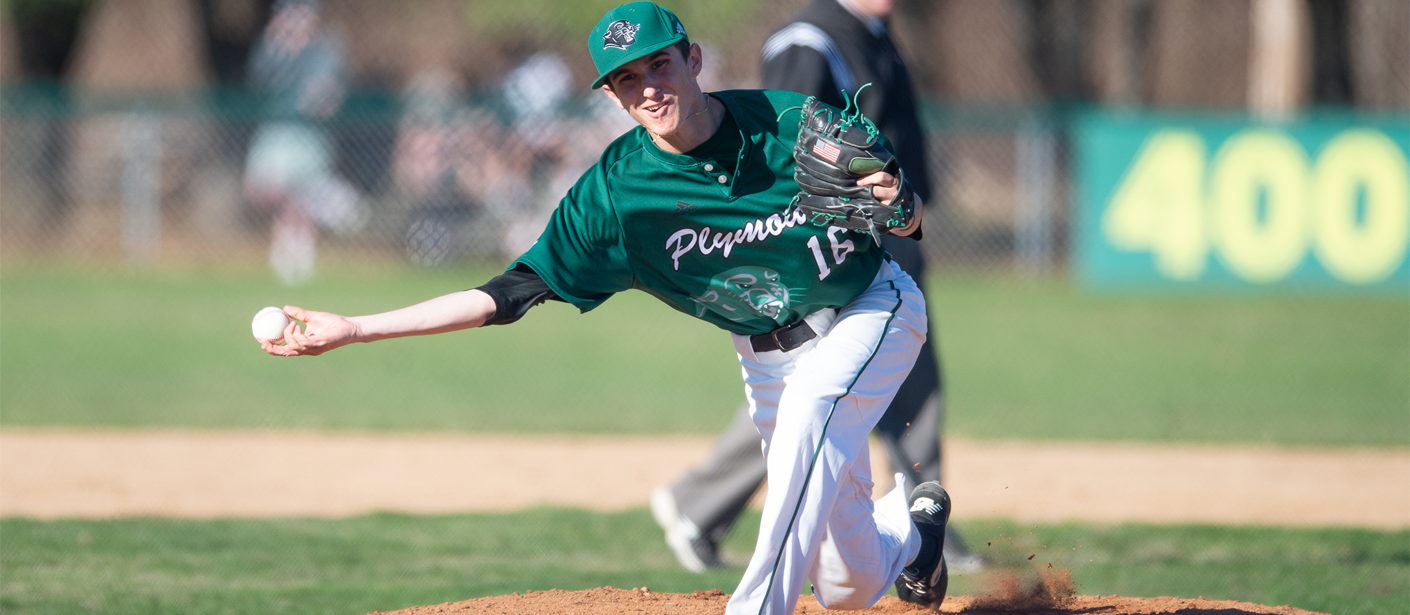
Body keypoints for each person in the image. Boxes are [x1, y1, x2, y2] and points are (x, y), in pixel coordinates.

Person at [260, 3, 951, 613]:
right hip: (768, 361)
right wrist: (355, 328)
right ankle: (915, 533)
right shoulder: (618, 198)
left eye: (659, 65)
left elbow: (907, 214)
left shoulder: (788, 123)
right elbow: (506, 294)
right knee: (848, 584)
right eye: (628, 79)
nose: (650, 87)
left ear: (693, 58)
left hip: (872, 308)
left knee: (812, 412)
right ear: (615, 98)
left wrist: (902, 203)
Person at [650, 0, 983, 575]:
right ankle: (923, 528)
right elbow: (780, 143)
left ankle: (700, 504)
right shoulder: (808, 40)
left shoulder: (874, 34)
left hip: (889, 225)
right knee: (821, 395)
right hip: (834, 249)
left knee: (856, 391)